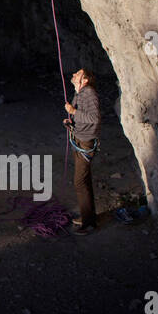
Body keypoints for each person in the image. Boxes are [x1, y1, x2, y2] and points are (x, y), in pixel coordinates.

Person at [63, 67, 101, 235]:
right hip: (79, 138)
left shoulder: (89, 93)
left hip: (85, 143)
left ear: (85, 80)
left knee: (80, 181)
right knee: (84, 180)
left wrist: (74, 112)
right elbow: (82, 117)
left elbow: (94, 118)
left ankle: (89, 224)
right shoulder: (80, 93)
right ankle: (88, 216)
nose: (73, 75)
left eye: (77, 74)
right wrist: (71, 122)